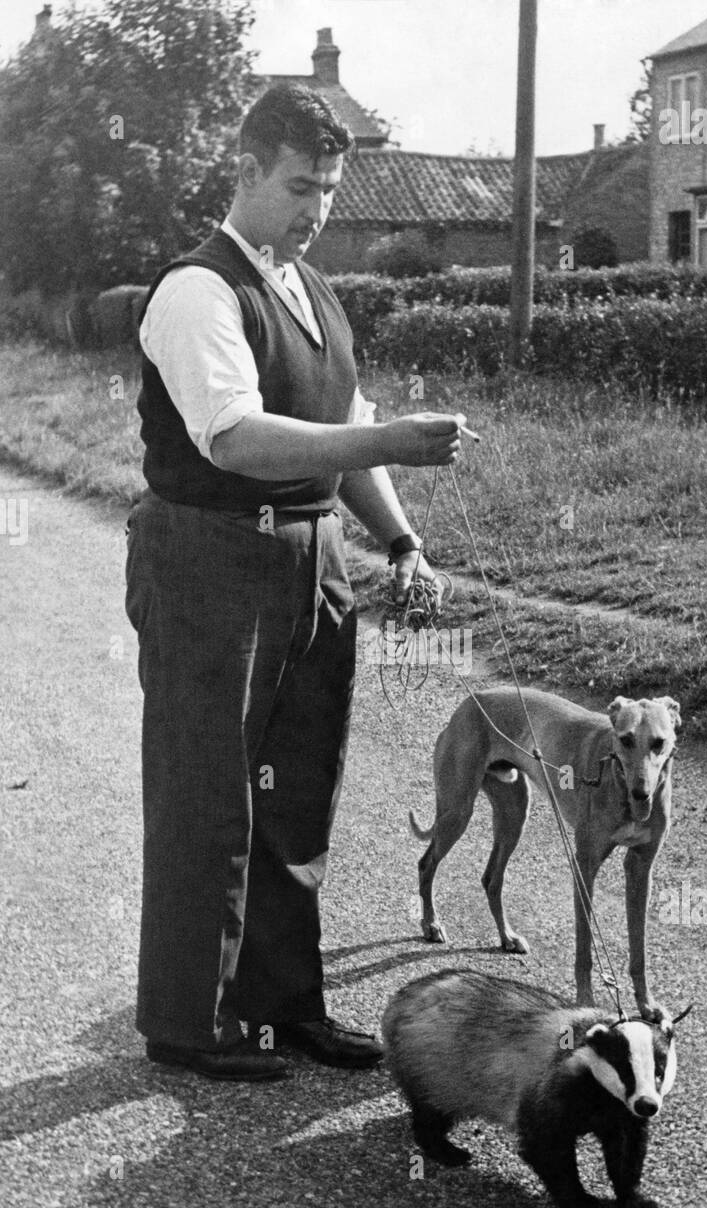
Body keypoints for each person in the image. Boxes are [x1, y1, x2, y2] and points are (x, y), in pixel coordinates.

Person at [125, 83, 462, 1081]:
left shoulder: (313, 292)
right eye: (300, 186)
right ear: (245, 171)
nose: (316, 210)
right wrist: (392, 433)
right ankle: (187, 1020)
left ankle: (282, 999)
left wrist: (400, 539)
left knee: (295, 791)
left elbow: (341, 438)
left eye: (328, 190)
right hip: (209, 557)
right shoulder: (197, 290)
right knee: (206, 794)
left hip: (313, 560)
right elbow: (235, 436)